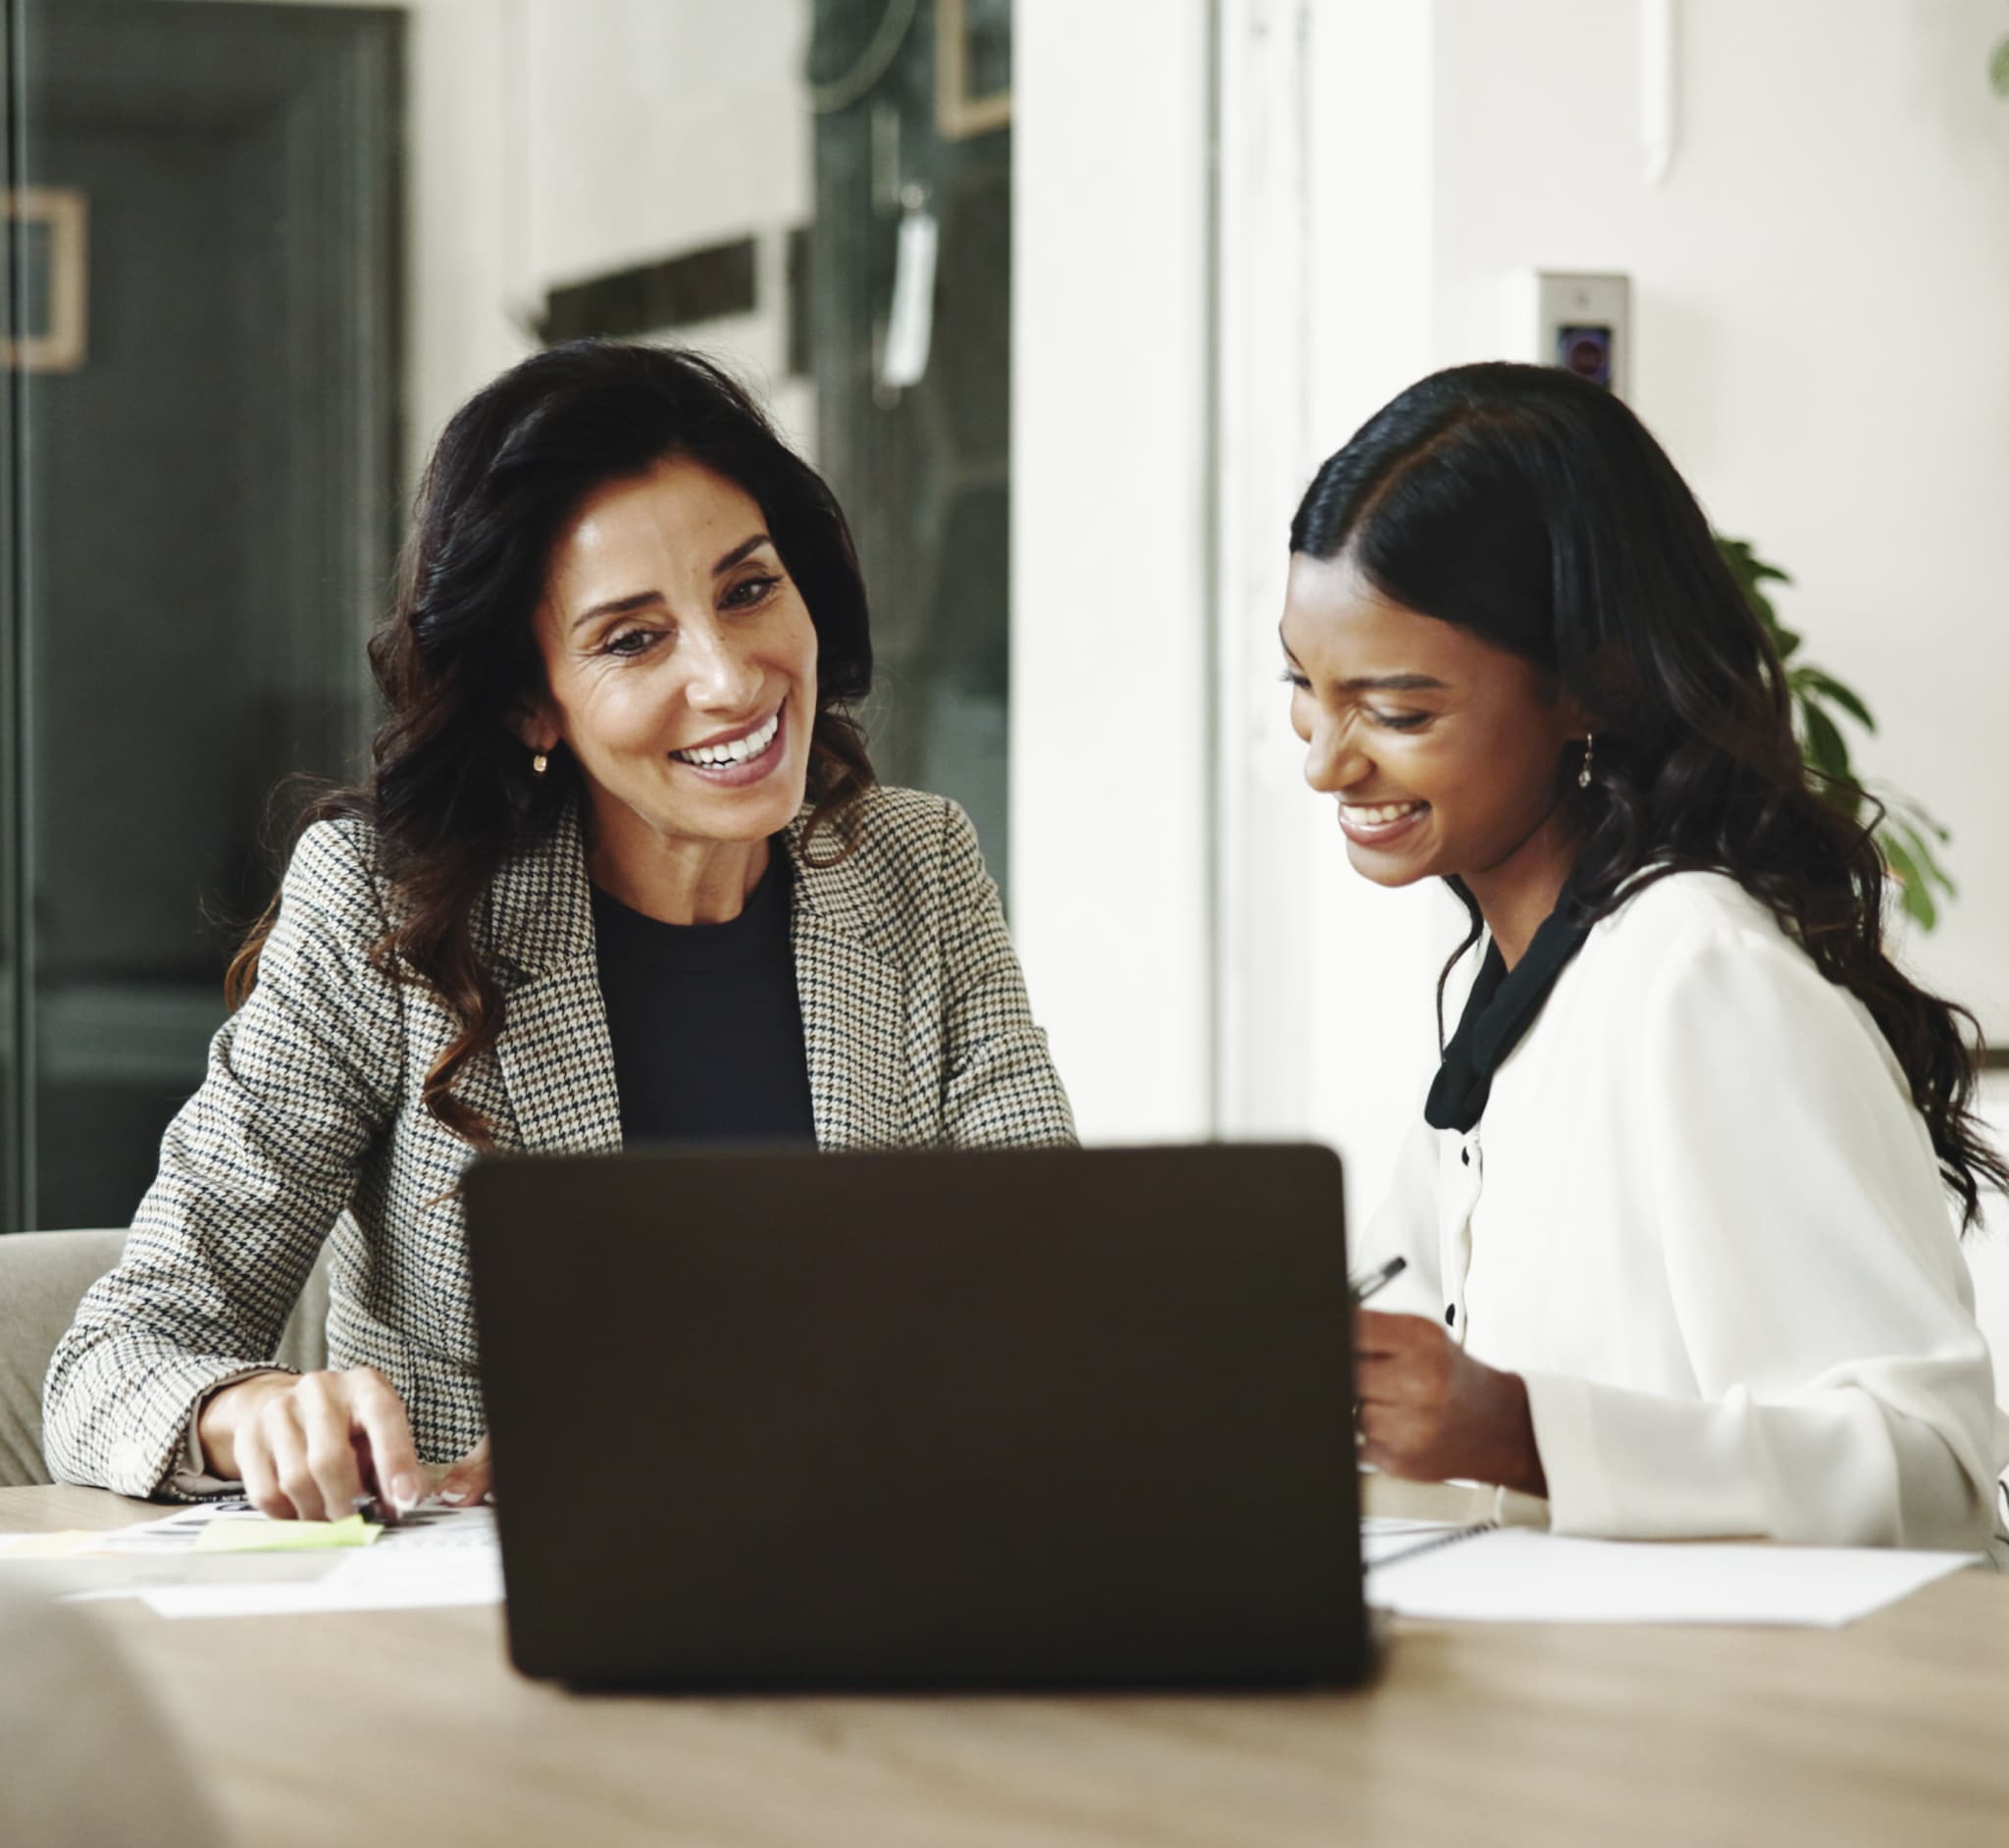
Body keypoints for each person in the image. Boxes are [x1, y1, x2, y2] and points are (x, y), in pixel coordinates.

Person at [44, 339, 1074, 1521]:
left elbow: (1044, 1304)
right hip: (490, 1647)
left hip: (856, 1593)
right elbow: (116, 1356)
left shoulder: (915, 866)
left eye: (747, 589)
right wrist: (254, 1409)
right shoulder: (382, 910)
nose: (733, 681)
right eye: (633, 638)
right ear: (532, 700)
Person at [1281, 361, 2004, 1550]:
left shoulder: (1698, 975)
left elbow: (1932, 1471)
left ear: (1588, 686)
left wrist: (1517, 1429)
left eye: (1397, 711)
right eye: (1303, 690)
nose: (1324, 760)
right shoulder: (1498, 986)